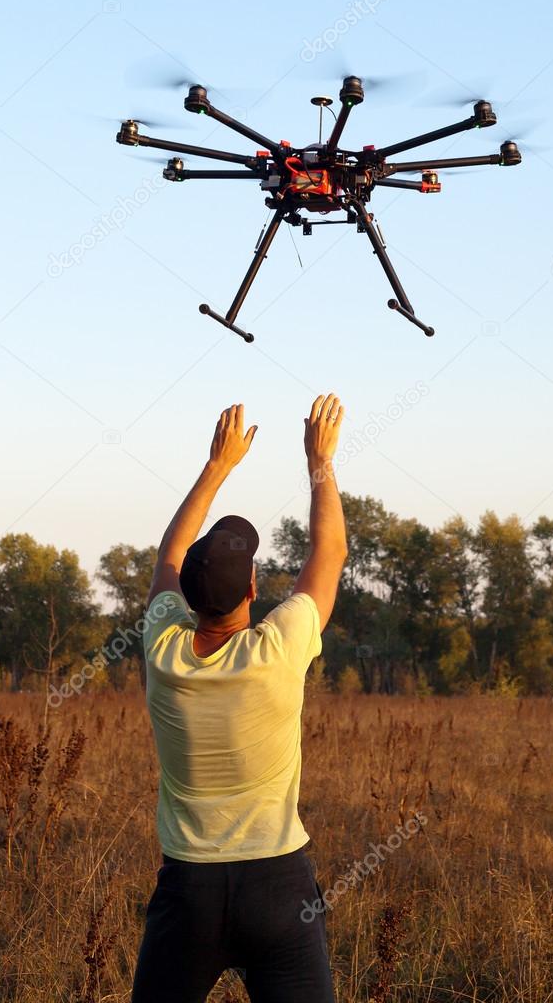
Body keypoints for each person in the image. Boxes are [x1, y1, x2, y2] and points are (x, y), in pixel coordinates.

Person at [130, 393, 348, 1003]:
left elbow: (168, 557)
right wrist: (319, 459)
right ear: (253, 587)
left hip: (188, 894)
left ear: (186, 598)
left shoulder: (163, 650)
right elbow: (328, 554)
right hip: (279, 888)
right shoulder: (278, 649)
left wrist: (217, 466)